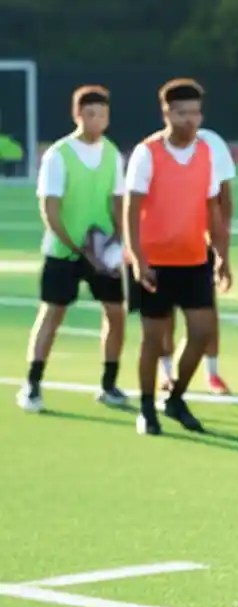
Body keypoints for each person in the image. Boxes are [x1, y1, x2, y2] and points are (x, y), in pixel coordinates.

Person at [123, 78, 231, 436]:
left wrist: (221, 253)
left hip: (193, 259)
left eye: (195, 113)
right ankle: (145, 408)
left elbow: (212, 207)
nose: (190, 120)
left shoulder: (206, 153)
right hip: (154, 261)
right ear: (166, 113)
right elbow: (131, 209)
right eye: (182, 113)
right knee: (154, 339)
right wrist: (138, 259)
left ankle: (175, 397)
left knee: (202, 333)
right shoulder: (147, 153)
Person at [18, 85, 128, 413]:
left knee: (115, 314)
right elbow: (50, 210)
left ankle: (108, 385)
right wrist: (77, 248)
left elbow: (117, 201)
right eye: (91, 114)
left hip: (102, 252)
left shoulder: (112, 153)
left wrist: (118, 239)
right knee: (53, 314)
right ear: (77, 115)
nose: (97, 121)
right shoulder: (58, 154)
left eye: (103, 115)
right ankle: (32, 385)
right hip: (65, 252)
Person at [157, 125, 237, 396]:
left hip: (199, 244)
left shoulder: (212, 143)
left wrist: (221, 246)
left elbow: (224, 198)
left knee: (206, 312)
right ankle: (166, 371)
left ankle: (211, 372)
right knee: (164, 312)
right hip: (163, 244)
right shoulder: (154, 148)